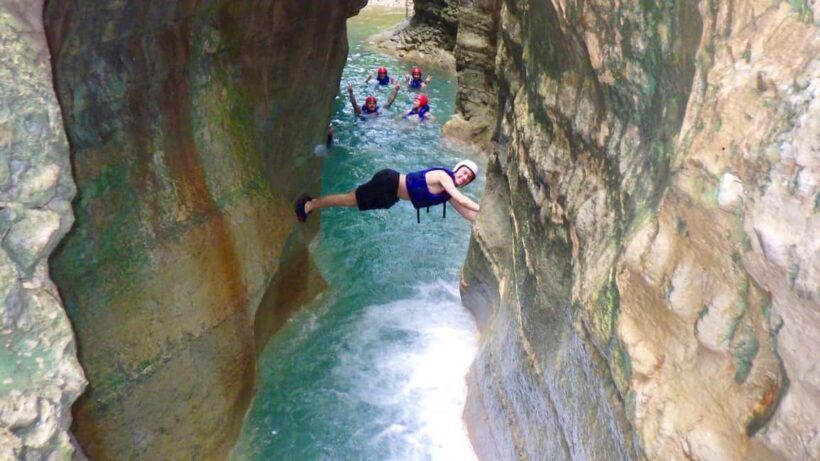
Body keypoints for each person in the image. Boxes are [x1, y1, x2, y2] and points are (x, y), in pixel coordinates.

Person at [294, 160, 480, 223]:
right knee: (349, 200)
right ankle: (310, 204)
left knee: (352, 203)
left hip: (391, 194)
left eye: (468, 178)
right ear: (457, 169)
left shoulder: (448, 192)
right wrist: (483, 209)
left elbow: (465, 211)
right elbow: (462, 200)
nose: (464, 177)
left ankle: (314, 203)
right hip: (388, 181)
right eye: (464, 172)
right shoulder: (443, 177)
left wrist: (480, 220)